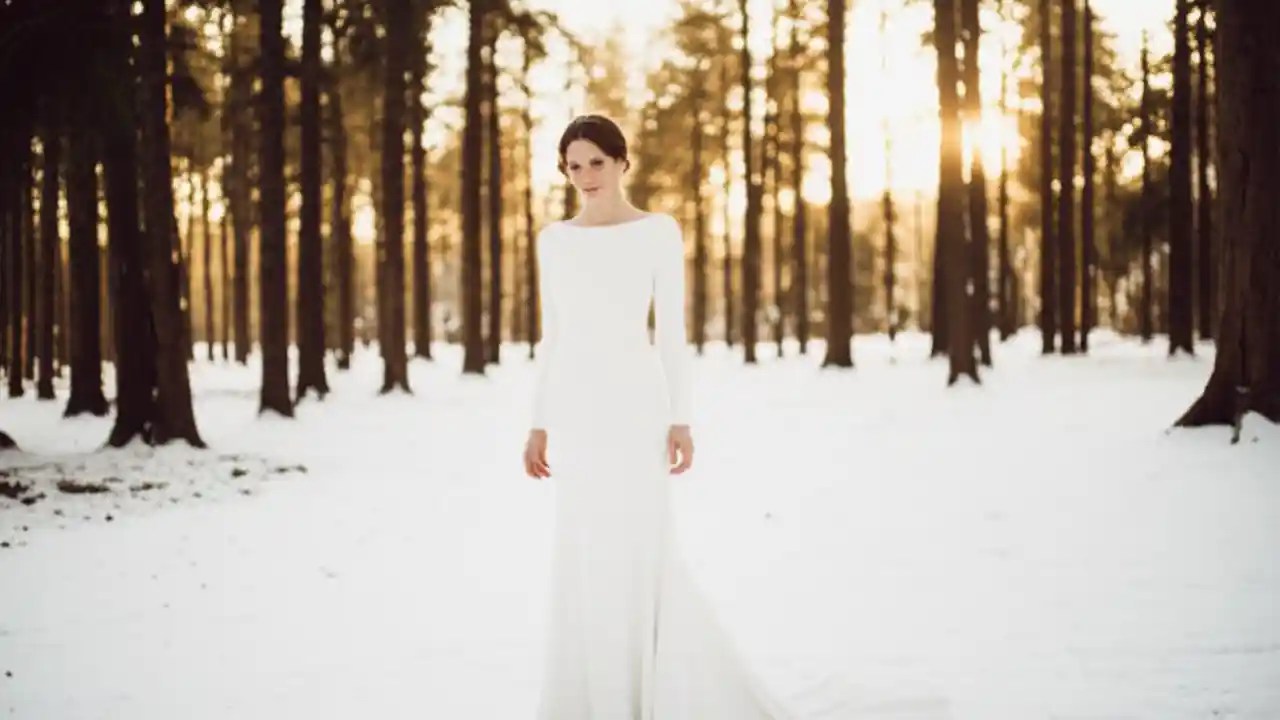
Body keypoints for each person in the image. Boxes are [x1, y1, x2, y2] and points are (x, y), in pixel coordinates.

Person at [522, 114, 789, 719]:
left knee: (640, 545)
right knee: (586, 548)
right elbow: (554, 336)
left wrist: (682, 419)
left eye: (596, 161)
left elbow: (673, 333)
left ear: (621, 162)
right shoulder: (554, 240)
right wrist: (538, 422)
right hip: (578, 411)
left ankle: (653, 692)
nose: (585, 175)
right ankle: (590, 697)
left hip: (637, 406)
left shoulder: (657, 231)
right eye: (574, 165)